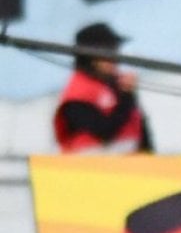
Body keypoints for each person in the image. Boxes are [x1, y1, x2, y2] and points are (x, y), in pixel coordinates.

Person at [53, 22, 153, 153]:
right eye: (109, 52)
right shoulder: (76, 95)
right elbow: (104, 132)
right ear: (91, 58)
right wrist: (126, 96)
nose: (115, 58)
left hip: (130, 167)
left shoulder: (117, 85)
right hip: (91, 169)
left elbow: (140, 128)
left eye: (115, 50)